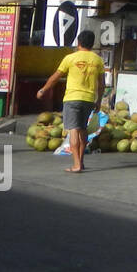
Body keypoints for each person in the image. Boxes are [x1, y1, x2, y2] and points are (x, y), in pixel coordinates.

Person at [37, 29, 105, 174]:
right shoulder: (98, 60)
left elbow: (55, 77)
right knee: (83, 129)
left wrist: (43, 90)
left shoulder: (70, 58)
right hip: (88, 99)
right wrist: (98, 102)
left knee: (73, 130)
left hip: (72, 98)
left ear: (79, 42)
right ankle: (81, 161)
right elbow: (102, 84)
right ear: (92, 44)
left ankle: (76, 165)